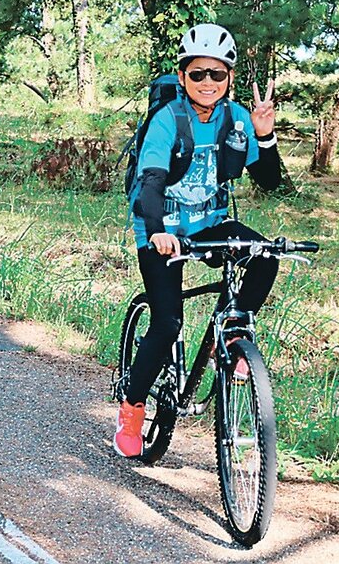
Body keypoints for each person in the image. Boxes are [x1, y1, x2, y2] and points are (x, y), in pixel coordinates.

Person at [113, 23, 283, 458]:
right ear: (183, 75)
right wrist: (157, 233)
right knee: (168, 321)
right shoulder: (168, 119)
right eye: (198, 73)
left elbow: (269, 180)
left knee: (264, 254)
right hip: (161, 227)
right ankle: (132, 406)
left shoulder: (238, 118)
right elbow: (150, 183)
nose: (208, 82)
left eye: (217, 74)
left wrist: (265, 134)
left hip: (210, 224)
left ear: (229, 77)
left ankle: (236, 329)